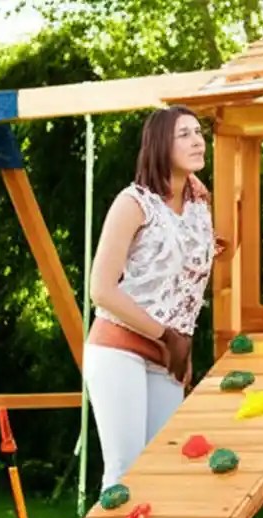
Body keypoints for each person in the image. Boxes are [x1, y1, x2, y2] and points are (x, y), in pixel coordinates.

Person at [84, 105, 220, 491]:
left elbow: (190, 280)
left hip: (168, 358)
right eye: (185, 134)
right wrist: (166, 335)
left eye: (199, 132)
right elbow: (101, 289)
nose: (198, 140)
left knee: (162, 477)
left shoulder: (199, 207)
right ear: (161, 143)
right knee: (125, 473)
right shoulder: (133, 203)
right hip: (119, 351)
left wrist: (181, 348)